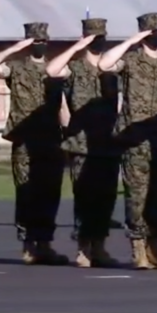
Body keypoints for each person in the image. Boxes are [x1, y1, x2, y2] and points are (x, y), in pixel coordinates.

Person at [0, 22, 69, 266]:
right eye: (34, 41)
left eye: (42, 41)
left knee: (50, 193)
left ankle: (45, 243)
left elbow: (62, 105)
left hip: (51, 138)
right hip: (25, 139)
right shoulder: (16, 69)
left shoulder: (57, 71)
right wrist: (16, 48)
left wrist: (68, 132)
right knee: (26, 192)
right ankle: (28, 244)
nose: (39, 45)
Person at [100, 13, 157, 269]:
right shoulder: (132, 60)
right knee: (137, 195)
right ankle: (138, 250)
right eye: (151, 32)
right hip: (135, 139)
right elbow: (105, 64)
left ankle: (154, 248)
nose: (156, 35)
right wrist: (132, 40)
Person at [46, 18, 122, 268]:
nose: (98, 41)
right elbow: (53, 70)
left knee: (106, 198)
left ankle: (99, 246)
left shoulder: (113, 69)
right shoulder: (75, 68)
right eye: (94, 37)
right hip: (82, 144)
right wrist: (77, 46)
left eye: (102, 37)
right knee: (85, 197)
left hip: (109, 142)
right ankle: (83, 248)